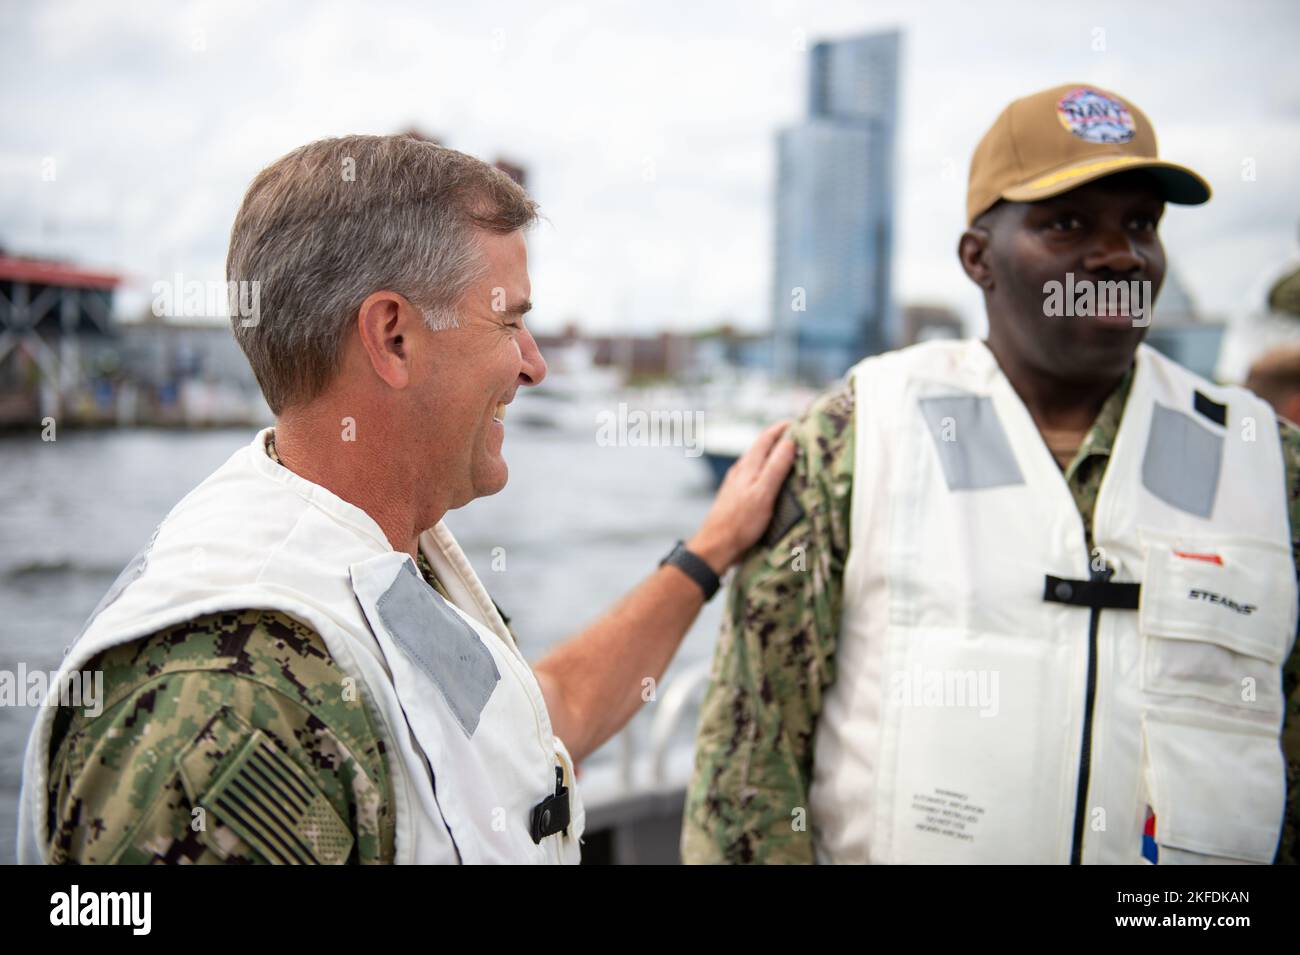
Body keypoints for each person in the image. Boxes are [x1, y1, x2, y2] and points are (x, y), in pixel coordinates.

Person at [18, 134, 795, 864]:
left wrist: (710, 549)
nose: (535, 365)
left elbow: (540, 711)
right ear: (393, 337)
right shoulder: (225, 704)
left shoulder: (376, 561)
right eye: (510, 322)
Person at [683, 83, 1300, 865]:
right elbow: (750, 763)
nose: (1119, 254)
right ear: (978, 258)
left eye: (1141, 223)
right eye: (1067, 223)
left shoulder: (1264, 464)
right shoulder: (861, 432)